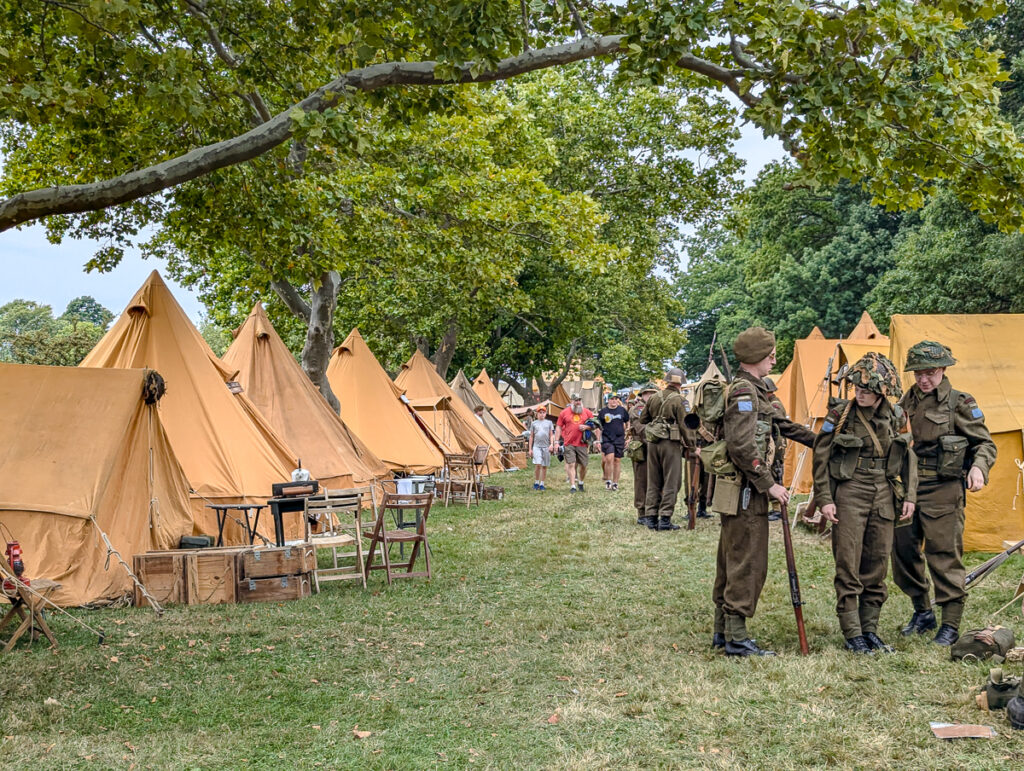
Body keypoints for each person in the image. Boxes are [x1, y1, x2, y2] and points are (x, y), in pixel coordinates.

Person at [712, 327, 815, 656]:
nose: (774, 358)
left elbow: (780, 424)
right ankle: (737, 638)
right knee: (747, 562)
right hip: (747, 490)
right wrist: (769, 484)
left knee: (733, 558)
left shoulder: (756, 390)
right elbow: (742, 446)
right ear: (757, 356)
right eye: (769, 353)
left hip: (745, 489)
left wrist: (823, 440)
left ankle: (723, 631)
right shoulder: (745, 391)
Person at [891, 341, 997, 646]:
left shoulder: (959, 402)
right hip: (908, 487)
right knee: (903, 553)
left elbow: (985, 444)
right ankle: (922, 611)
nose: (924, 379)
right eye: (918, 373)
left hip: (943, 487)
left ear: (944, 370)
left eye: (931, 372)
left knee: (944, 555)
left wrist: (978, 468)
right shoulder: (905, 402)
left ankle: (950, 623)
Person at [812, 353, 918, 654]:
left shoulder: (897, 416)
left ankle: (869, 628)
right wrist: (825, 499)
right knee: (848, 562)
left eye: (868, 389)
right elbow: (821, 456)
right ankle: (852, 632)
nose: (861, 392)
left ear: (882, 390)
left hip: (883, 490)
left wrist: (910, 495)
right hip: (850, 490)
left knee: (877, 562)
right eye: (857, 387)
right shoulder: (840, 415)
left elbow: (909, 456)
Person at [638, 368, 692, 531]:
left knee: (653, 480)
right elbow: (686, 426)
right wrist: (692, 446)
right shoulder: (681, 400)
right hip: (670, 443)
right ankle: (665, 519)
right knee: (672, 480)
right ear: (681, 383)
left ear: (667, 380)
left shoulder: (654, 397)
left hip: (653, 442)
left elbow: (643, 419)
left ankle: (651, 517)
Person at [628, 384, 658, 525]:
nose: (651, 396)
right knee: (642, 481)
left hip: (655, 447)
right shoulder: (638, 409)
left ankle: (652, 511)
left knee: (655, 480)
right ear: (642, 395)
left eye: (654, 393)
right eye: (648, 393)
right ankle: (642, 512)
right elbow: (642, 429)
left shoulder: (657, 408)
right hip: (642, 448)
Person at [555, 393, 594, 492]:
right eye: (576, 400)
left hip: (582, 443)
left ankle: (581, 482)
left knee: (584, 465)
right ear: (571, 401)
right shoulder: (564, 413)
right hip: (569, 443)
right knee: (571, 464)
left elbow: (595, 424)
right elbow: (559, 427)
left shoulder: (587, 412)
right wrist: (556, 442)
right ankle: (573, 486)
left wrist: (586, 427)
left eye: (579, 400)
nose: (578, 402)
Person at [598, 393, 630, 491]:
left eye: (616, 399)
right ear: (608, 400)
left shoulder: (622, 410)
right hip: (607, 438)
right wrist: (598, 440)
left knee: (617, 460)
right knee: (609, 459)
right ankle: (608, 481)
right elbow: (598, 426)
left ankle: (615, 483)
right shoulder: (603, 411)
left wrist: (628, 436)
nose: (614, 401)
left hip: (619, 438)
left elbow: (628, 422)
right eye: (612, 399)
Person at [528, 405, 555, 491]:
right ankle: (536, 482)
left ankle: (542, 483)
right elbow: (531, 436)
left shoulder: (549, 423)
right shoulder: (534, 423)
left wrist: (551, 444)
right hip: (537, 446)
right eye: (540, 413)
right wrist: (530, 449)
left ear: (545, 414)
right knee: (538, 464)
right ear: (537, 414)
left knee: (544, 465)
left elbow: (551, 435)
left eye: (543, 413)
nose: (542, 414)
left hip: (546, 446)